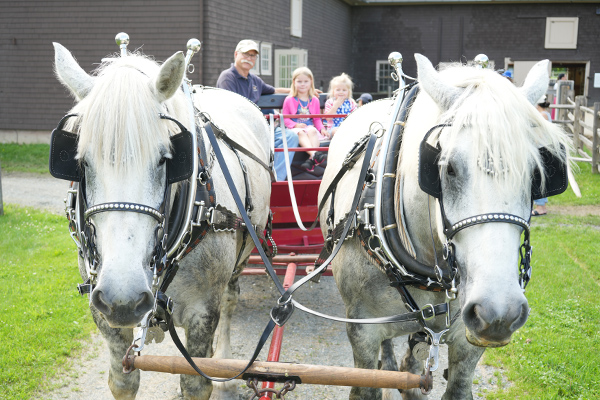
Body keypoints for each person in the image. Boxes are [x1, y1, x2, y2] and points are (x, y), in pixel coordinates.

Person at [216, 39, 295, 181]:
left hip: (259, 126)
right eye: (246, 54)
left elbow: (274, 90)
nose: (249, 58)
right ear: (236, 54)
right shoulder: (227, 77)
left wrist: (301, 90)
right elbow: (229, 110)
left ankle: (273, 178)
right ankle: (258, 179)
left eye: (253, 56)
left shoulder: (255, 80)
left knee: (290, 137)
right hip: (239, 129)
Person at [282, 67, 328, 171]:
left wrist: (322, 129)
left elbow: (316, 119)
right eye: (299, 81)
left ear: (311, 82)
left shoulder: (314, 100)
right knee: (301, 133)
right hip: (295, 128)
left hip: (309, 127)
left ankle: (312, 159)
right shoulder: (289, 99)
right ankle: (315, 154)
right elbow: (285, 118)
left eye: (306, 81)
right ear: (294, 82)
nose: (302, 84)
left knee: (312, 131)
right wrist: (296, 125)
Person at [532, 95, 551, 216]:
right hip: (544, 147)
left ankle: (540, 206)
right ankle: (541, 205)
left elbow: (539, 134)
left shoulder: (542, 115)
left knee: (538, 178)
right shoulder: (546, 114)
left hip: (541, 148)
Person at [323, 73, 357, 138]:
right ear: (333, 91)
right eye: (338, 90)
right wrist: (335, 106)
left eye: (344, 90)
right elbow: (328, 118)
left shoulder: (351, 102)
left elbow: (355, 116)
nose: (341, 92)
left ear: (348, 92)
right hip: (333, 128)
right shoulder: (330, 102)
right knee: (337, 132)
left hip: (348, 128)